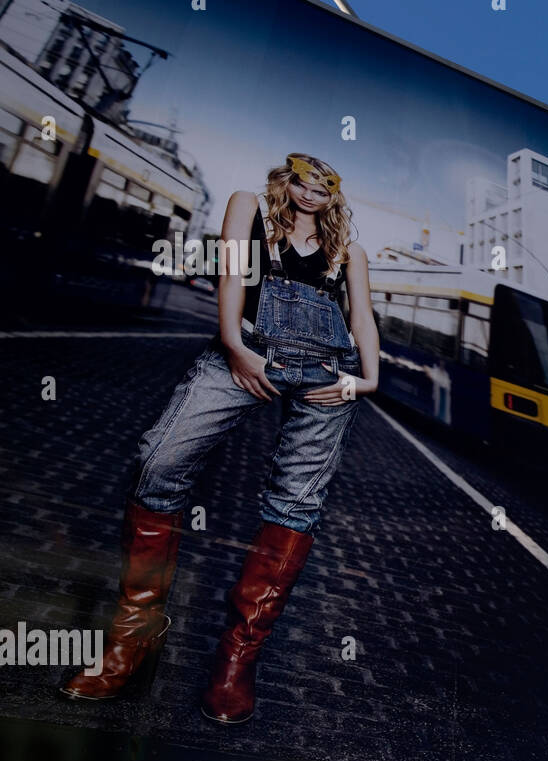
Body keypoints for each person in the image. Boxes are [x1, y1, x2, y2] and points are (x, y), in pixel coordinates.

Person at [61, 153, 380, 724]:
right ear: (286, 182)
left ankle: (238, 657)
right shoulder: (248, 208)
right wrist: (235, 344)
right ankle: (135, 636)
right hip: (247, 353)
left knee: (297, 502)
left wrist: (368, 379)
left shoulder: (346, 252)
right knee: (159, 463)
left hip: (326, 375)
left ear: (334, 198)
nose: (310, 197)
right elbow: (232, 274)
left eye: (323, 190)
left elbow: (362, 322)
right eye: (302, 185)